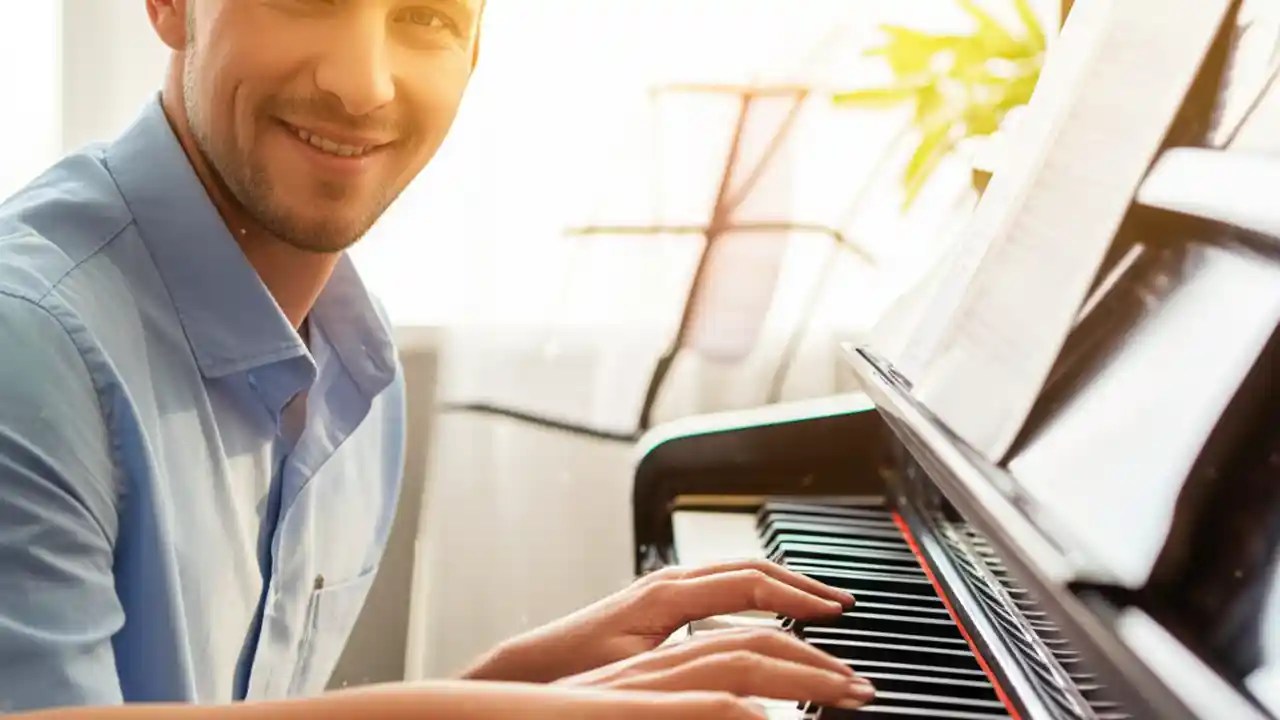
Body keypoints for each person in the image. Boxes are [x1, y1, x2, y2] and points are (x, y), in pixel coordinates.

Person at [0, 1, 875, 717]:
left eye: (424, 17)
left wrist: (507, 685)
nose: (362, 83)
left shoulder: (353, 359)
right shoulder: (28, 341)